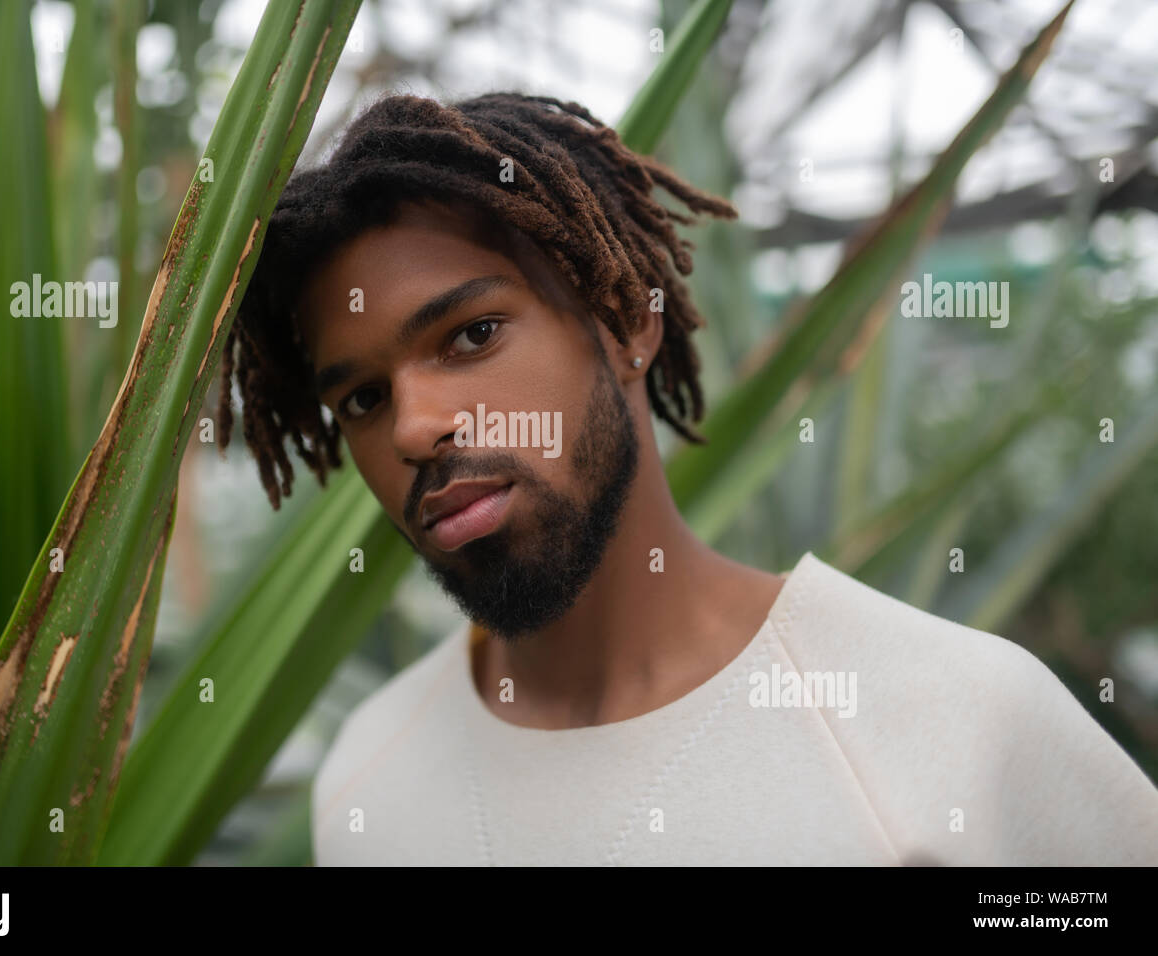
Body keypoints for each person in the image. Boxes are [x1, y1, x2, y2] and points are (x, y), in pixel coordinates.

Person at [221, 91, 1158, 865]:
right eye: (364, 400)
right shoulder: (367, 779)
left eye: (471, 336)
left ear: (628, 320)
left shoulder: (959, 729)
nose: (416, 426)